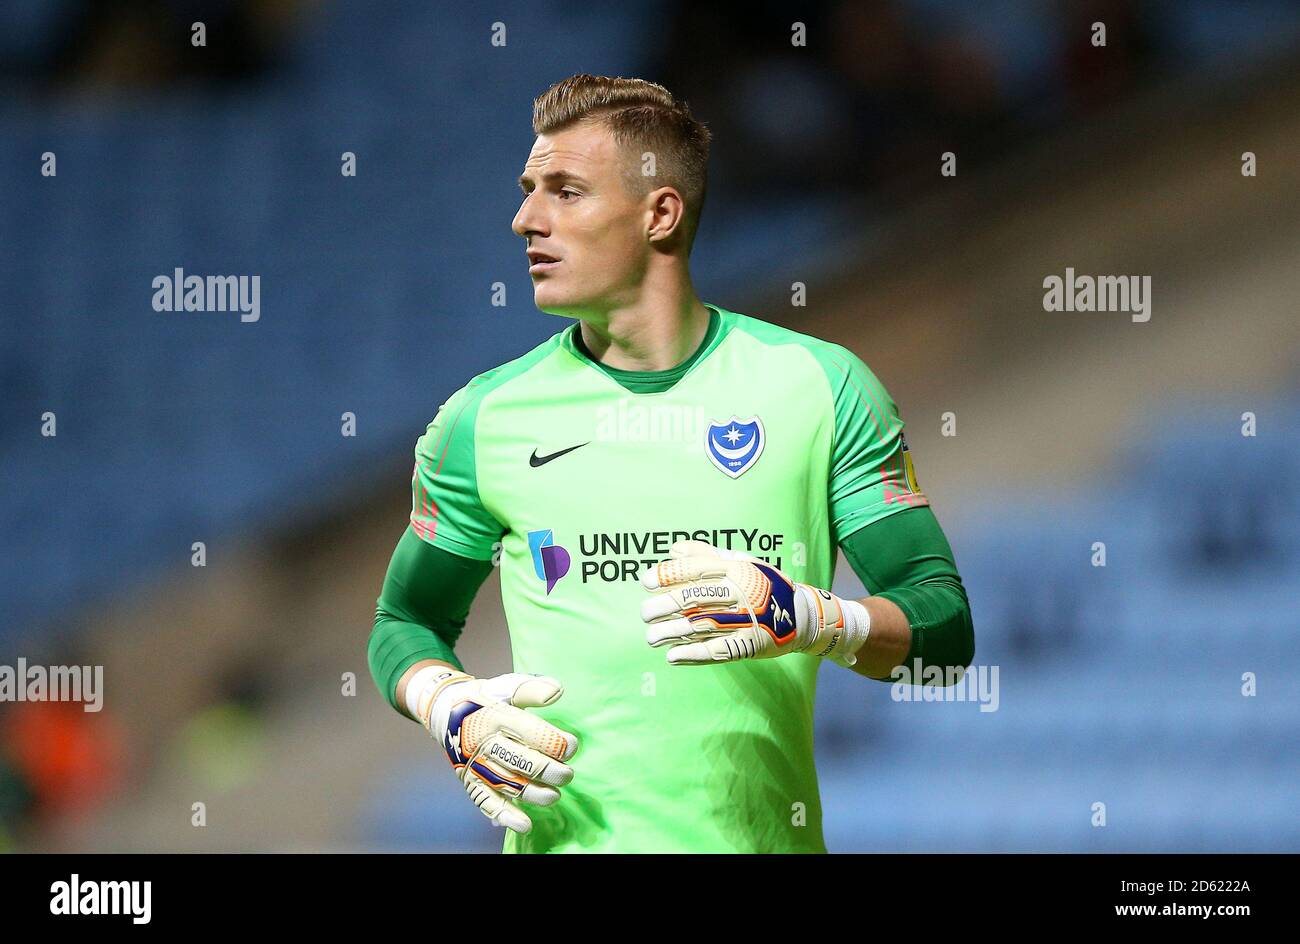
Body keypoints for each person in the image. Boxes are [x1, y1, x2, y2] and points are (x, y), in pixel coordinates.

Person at [368, 74, 974, 853]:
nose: (524, 219)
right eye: (528, 191)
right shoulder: (481, 421)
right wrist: (448, 704)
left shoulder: (822, 388)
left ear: (660, 212)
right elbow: (404, 621)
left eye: (565, 190)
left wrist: (819, 619)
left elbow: (945, 631)